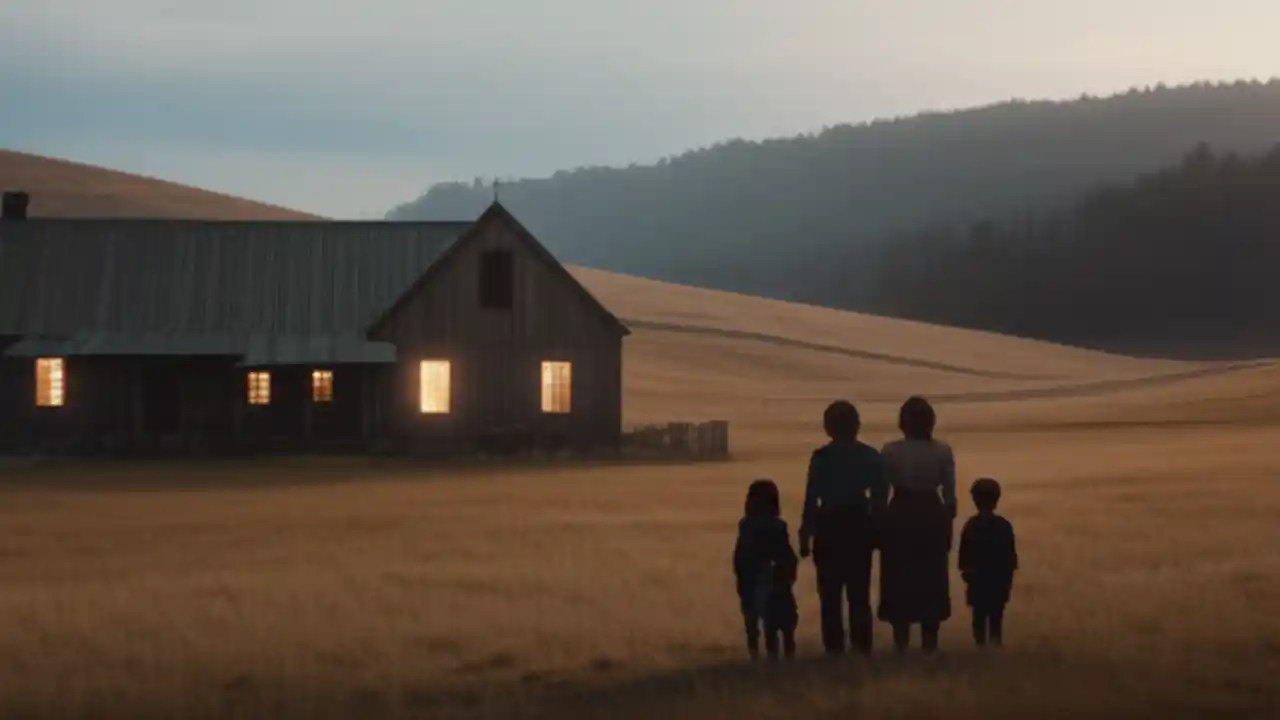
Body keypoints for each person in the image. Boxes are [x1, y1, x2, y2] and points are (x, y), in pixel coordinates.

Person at [799, 401, 887, 655]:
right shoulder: (870, 456)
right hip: (859, 523)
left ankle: (834, 648)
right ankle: (862, 646)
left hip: (828, 526)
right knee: (859, 593)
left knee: (829, 595)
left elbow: (810, 499)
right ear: (857, 426)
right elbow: (880, 497)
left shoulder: (821, 458)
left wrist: (806, 535)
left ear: (827, 428)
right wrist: (877, 532)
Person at [878, 396, 956, 653]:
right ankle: (929, 643)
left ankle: (901, 642)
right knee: (931, 577)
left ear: (902, 422)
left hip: (900, 513)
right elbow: (950, 497)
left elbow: (881, 493)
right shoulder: (943, 451)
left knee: (899, 576)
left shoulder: (890, 450)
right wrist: (947, 527)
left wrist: (880, 525)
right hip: (931, 513)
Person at [733, 479, 799, 660]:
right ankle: (785, 658)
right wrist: (788, 576)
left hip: (752, 580)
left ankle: (756, 656)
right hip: (776, 580)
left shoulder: (746, 526)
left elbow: (741, 556)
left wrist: (741, 578)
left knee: (753, 624)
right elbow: (787, 555)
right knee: (783, 625)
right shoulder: (778, 526)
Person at [959, 477, 1018, 647]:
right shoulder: (1004, 526)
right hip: (998, 581)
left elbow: (964, 558)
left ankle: (981, 646)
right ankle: (994, 644)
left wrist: (968, 574)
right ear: (997, 499)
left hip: (977, 581)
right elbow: (1011, 558)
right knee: (996, 617)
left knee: (978, 616)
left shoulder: (970, 526)